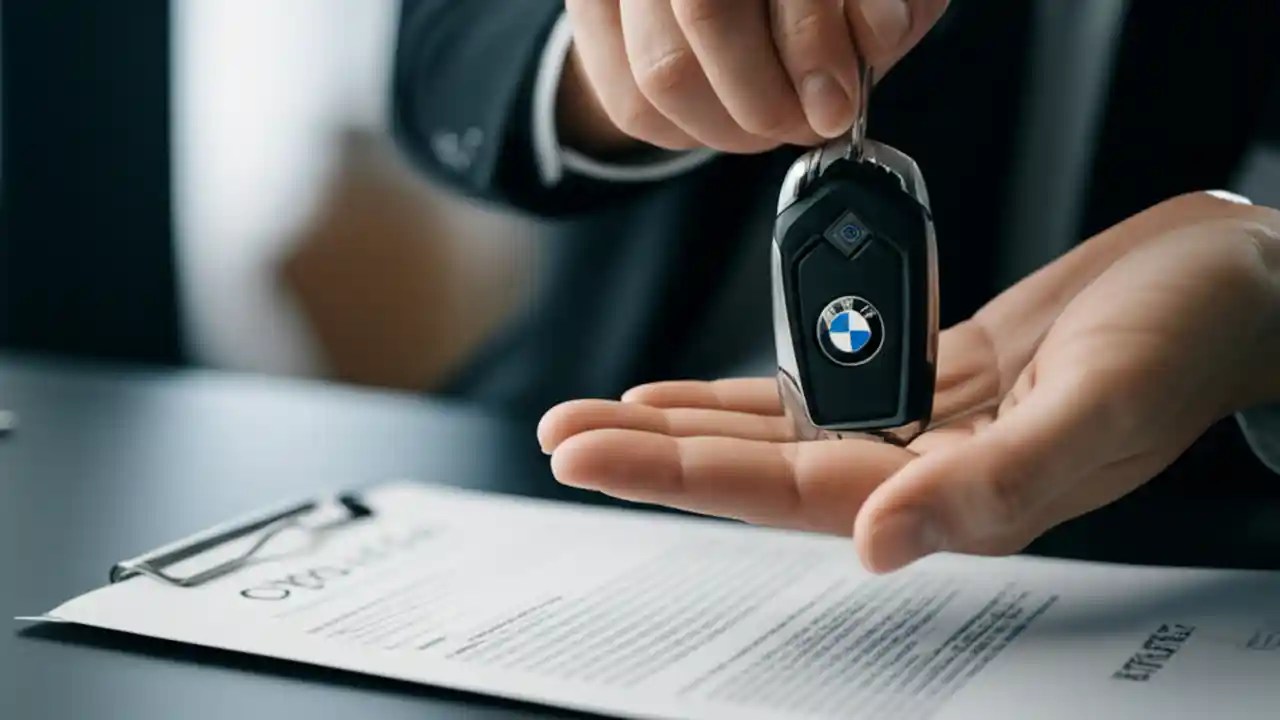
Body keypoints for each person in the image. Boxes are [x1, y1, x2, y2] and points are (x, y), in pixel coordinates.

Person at [393, 1, 1280, 572]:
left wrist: (1267, 293)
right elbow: (445, 49)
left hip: (1186, 535)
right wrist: (624, 55)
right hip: (582, 476)